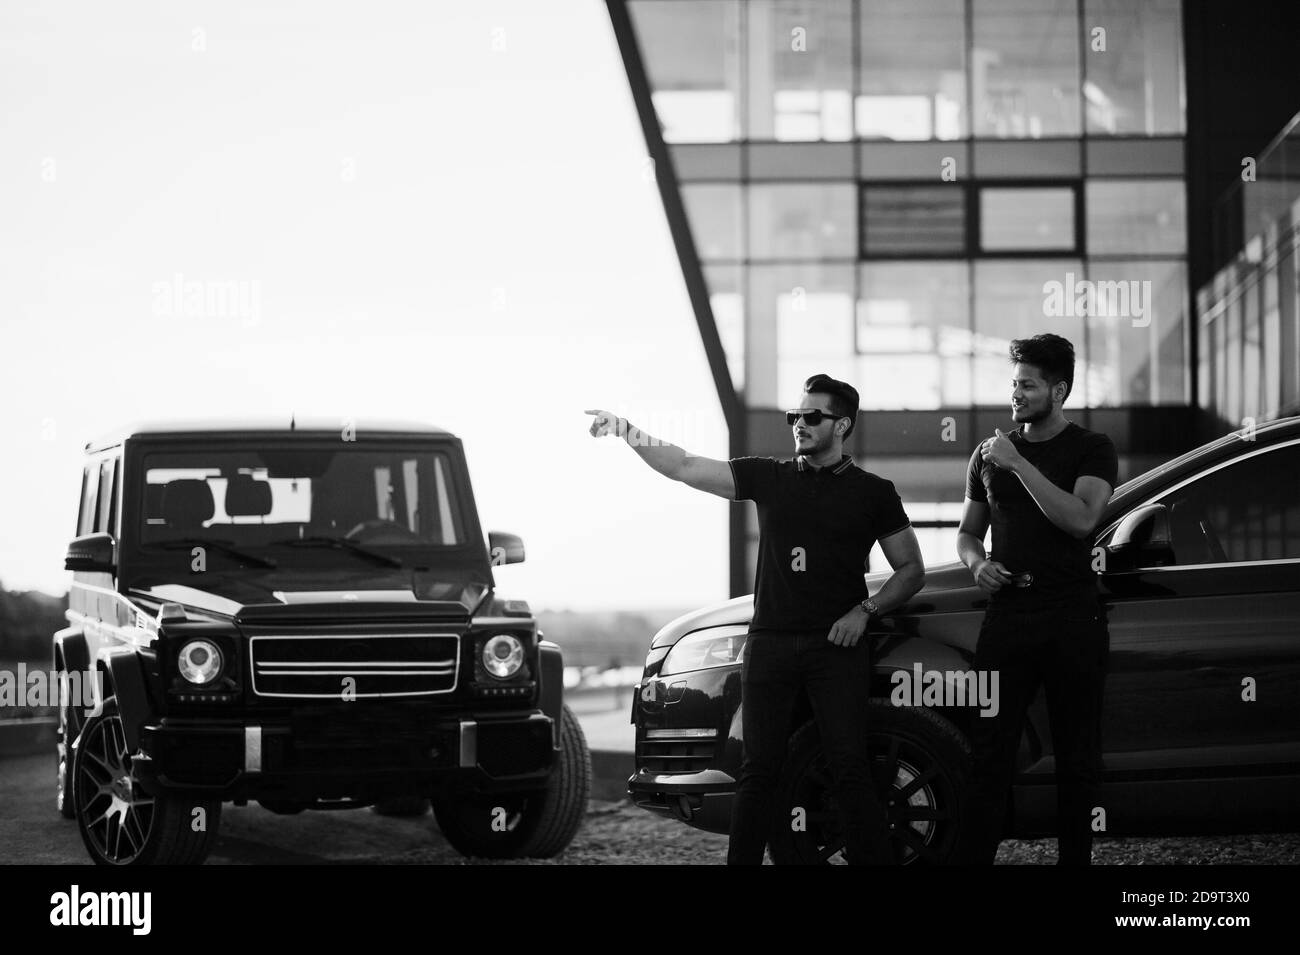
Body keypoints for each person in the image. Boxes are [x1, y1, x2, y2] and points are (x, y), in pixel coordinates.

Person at [586, 373, 924, 865]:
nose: (799, 425)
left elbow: (910, 570)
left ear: (842, 424)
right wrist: (627, 429)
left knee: (850, 767)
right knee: (758, 771)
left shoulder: (873, 492)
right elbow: (683, 466)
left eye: (812, 417)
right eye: (795, 416)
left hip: (837, 648)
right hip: (769, 645)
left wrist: (865, 610)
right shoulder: (772, 476)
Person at [955, 333, 1117, 865]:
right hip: (1009, 618)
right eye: (1014, 383)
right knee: (988, 752)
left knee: (1077, 758)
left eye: (1028, 384)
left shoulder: (1092, 449)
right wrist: (978, 565)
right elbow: (967, 534)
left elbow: (1081, 520)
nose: (1016, 394)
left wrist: (1020, 464)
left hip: (1073, 615)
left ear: (1059, 389)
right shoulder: (987, 454)